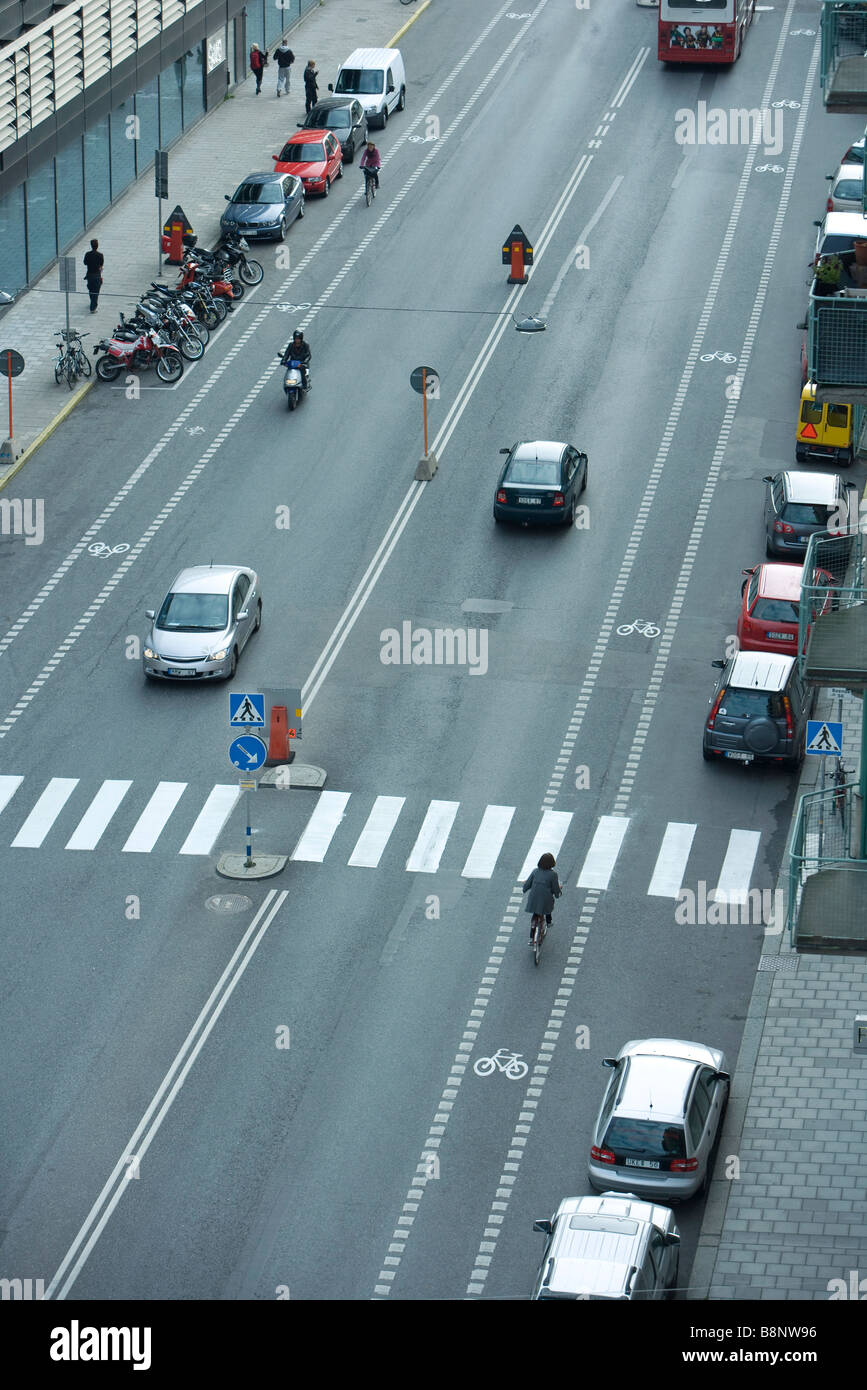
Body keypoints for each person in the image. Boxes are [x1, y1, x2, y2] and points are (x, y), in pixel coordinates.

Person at [522, 853, 562, 946]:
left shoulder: (535, 871)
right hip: (545, 899)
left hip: (533, 898)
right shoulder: (553, 874)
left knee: (535, 914)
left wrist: (524, 889)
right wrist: (558, 893)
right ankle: (549, 922)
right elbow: (555, 889)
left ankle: (531, 938)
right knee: (548, 906)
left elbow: (528, 884)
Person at [83, 238, 104, 313]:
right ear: (97, 246)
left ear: (91, 246)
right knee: (96, 292)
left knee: (91, 289)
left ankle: (92, 302)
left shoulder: (87, 254)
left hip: (89, 275)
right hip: (97, 275)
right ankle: (93, 308)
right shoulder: (100, 255)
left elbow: (85, 263)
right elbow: (101, 265)